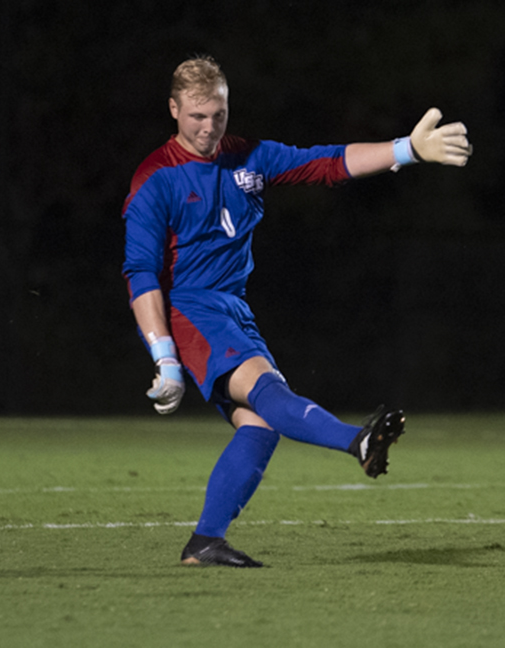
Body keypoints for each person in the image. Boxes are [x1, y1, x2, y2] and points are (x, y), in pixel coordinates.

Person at [121, 55, 471, 568]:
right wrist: (164, 356)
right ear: (173, 110)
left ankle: (204, 544)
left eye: (218, 114)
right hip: (193, 314)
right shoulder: (155, 179)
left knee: (260, 427)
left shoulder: (249, 158)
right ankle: (358, 440)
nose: (209, 127)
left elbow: (327, 162)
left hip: (234, 310)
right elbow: (141, 273)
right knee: (271, 393)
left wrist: (408, 150)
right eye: (196, 116)